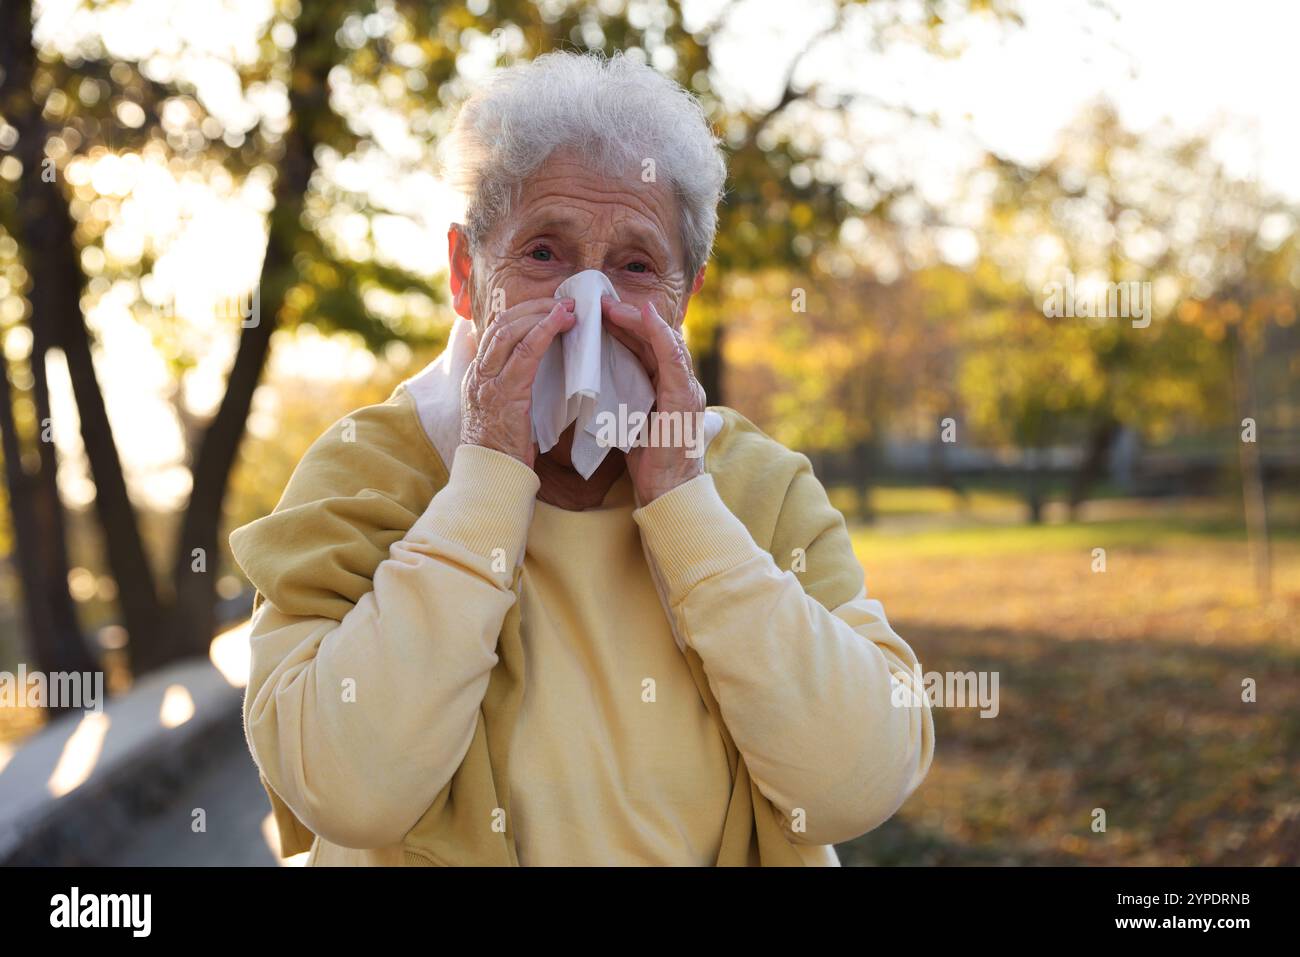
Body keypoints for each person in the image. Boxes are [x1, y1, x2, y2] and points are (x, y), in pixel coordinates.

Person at [229, 50, 934, 867]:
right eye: (543, 254)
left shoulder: (759, 482)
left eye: (635, 266)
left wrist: (684, 502)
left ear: (685, 297)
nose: (587, 306)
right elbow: (346, 787)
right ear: (466, 274)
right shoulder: (370, 467)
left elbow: (857, 783)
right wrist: (489, 475)